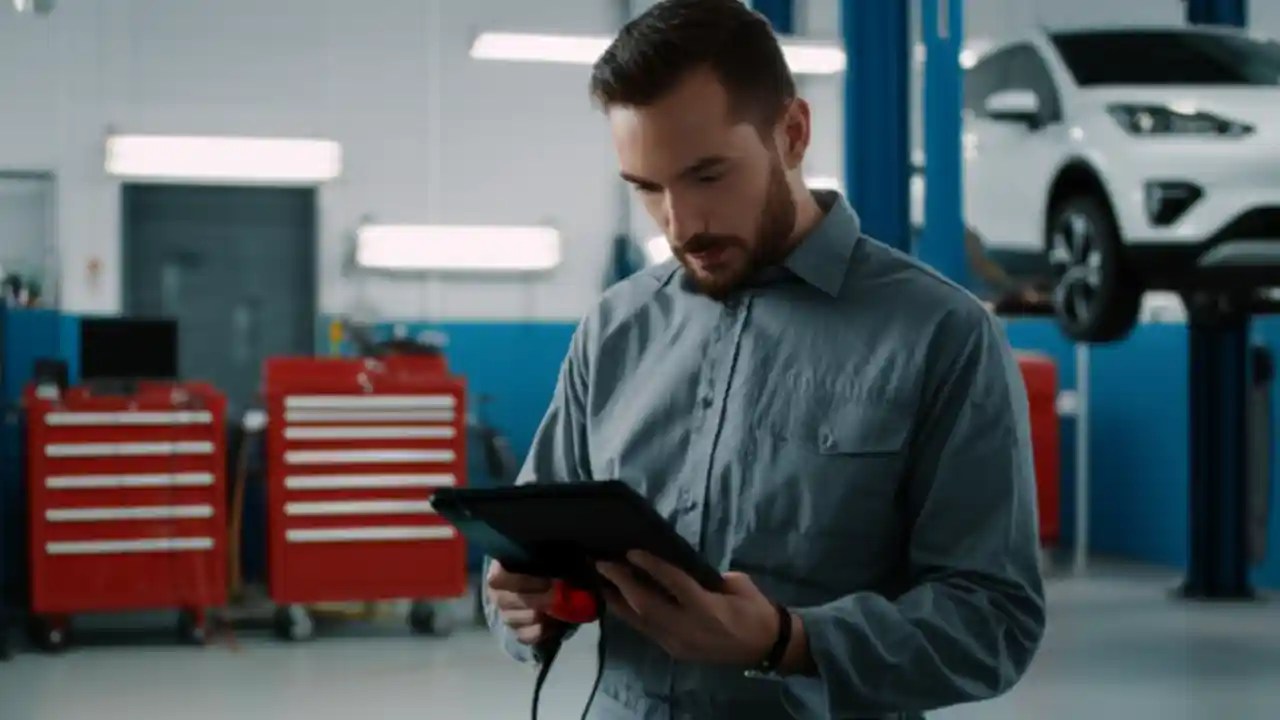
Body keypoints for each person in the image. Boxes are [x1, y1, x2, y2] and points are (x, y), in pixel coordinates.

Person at [484, 1, 1046, 718]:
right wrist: (521, 601)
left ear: (792, 133)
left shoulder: (942, 334)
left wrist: (788, 640)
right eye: (649, 189)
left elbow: (994, 623)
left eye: (708, 175)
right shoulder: (615, 328)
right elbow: (520, 559)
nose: (680, 225)